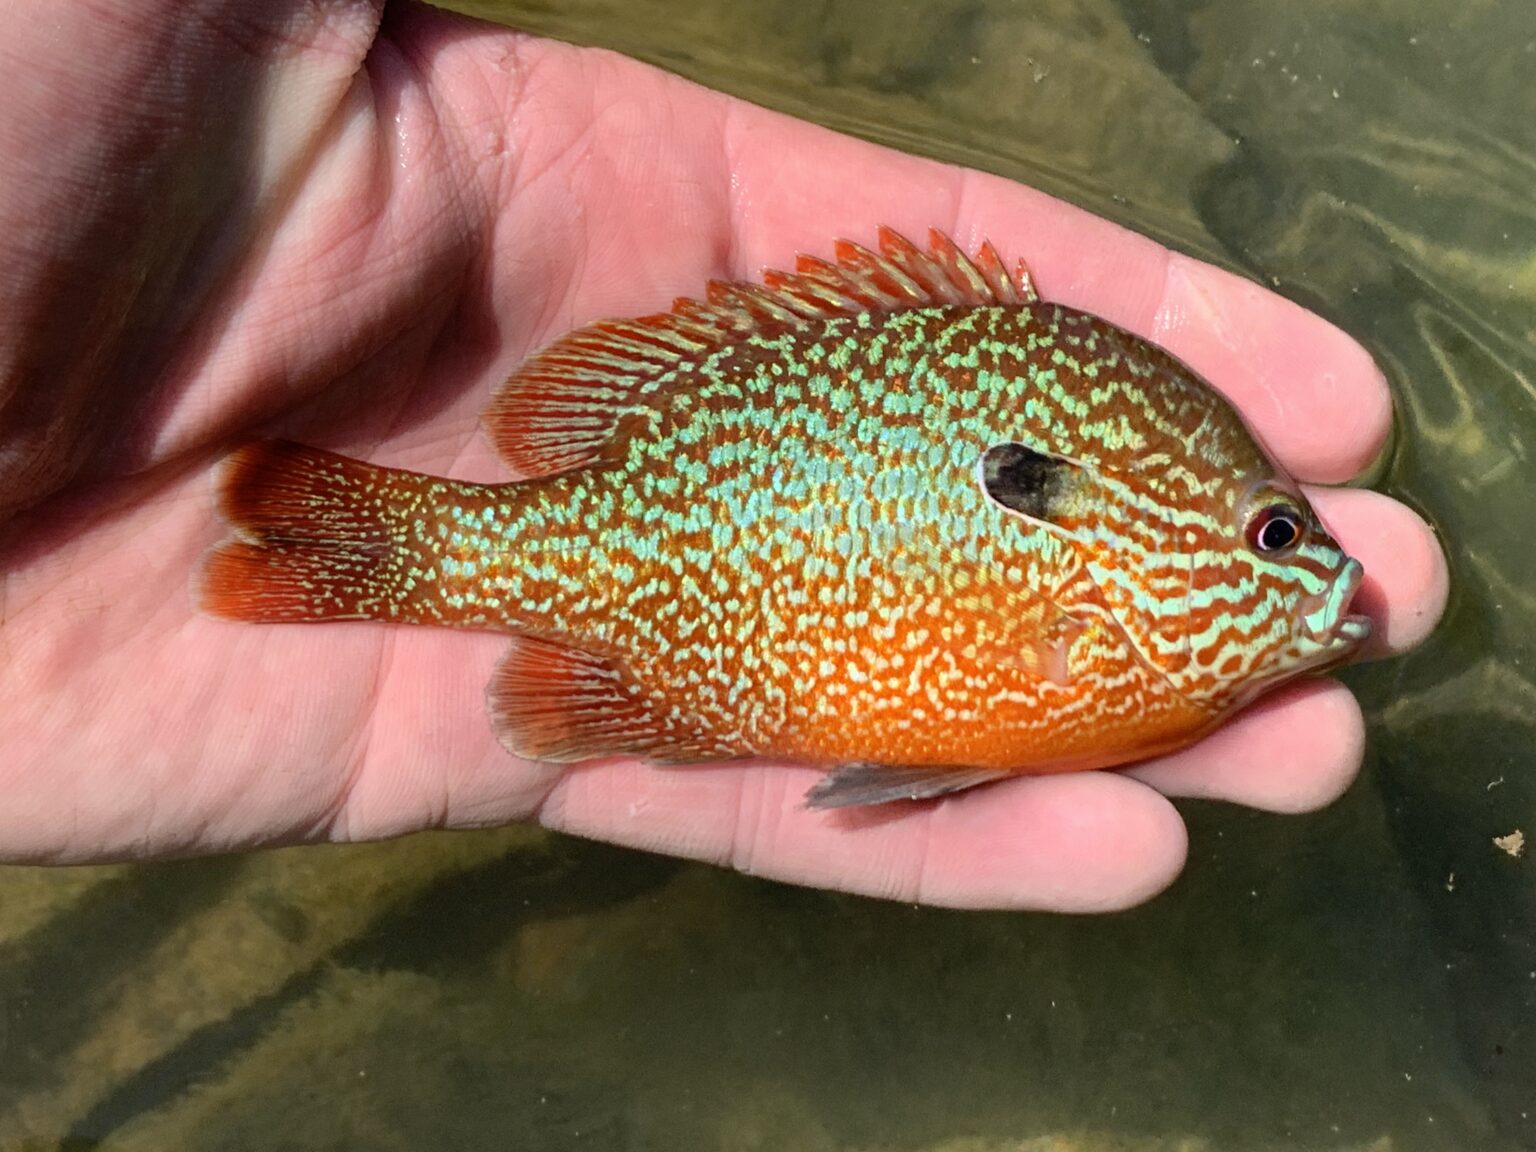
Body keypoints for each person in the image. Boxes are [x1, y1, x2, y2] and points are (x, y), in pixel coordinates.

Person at [0, 1, 1445, 910]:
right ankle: (385, 547)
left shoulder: (1138, 651)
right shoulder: (1116, 635)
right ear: (1160, 530)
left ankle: (369, 550)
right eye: (1274, 536)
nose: (1327, 585)